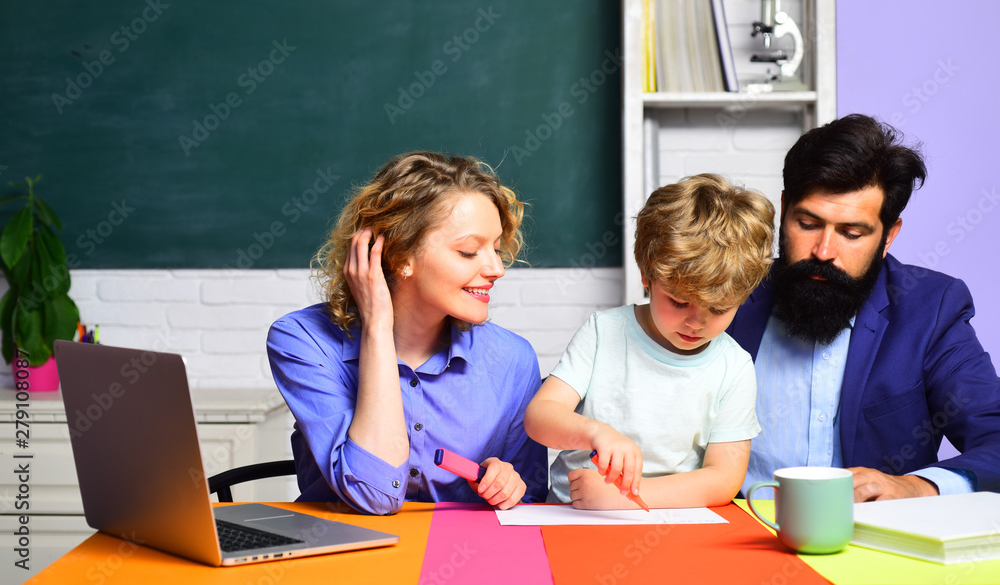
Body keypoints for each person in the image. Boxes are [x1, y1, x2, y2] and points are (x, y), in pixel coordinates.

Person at [729, 113, 1000, 501]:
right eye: (807, 223)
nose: (823, 252)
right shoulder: (729, 294)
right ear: (784, 209)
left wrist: (915, 486)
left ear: (889, 236)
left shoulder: (932, 310)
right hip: (735, 539)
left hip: (872, 548)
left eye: (851, 233)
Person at [267, 151, 547, 515]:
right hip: (341, 559)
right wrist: (378, 327)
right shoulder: (302, 341)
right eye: (468, 251)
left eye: (495, 249)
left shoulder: (513, 359)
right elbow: (374, 496)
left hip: (463, 563)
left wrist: (508, 485)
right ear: (399, 256)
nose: (497, 269)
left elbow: (531, 501)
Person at [524, 174, 775, 509]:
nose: (695, 322)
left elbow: (724, 478)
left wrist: (628, 497)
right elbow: (540, 416)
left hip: (669, 520)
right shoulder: (604, 332)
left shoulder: (734, 366)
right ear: (647, 275)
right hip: (574, 517)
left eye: (717, 308)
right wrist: (596, 432)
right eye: (679, 301)